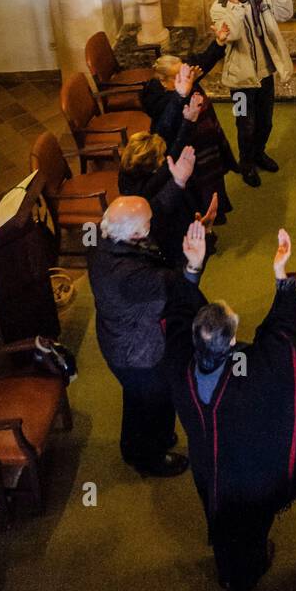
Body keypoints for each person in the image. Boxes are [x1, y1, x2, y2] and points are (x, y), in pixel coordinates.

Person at [164, 222, 296, 591]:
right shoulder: (250, 374)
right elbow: (284, 338)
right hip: (248, 478)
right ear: (233, 339)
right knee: (250, 530)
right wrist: (281, 277)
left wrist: (192, 268)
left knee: (220, 520)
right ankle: (244, 576)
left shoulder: (179, 364)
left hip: (209, 469)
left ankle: (227, 571)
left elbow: (175, 317)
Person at [88, 196, 190, 478]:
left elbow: (151, 208)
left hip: (118, 341)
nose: (151, 225)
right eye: (147, 223)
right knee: (156, 402)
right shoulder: (128, 275)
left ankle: (133, 447)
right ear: (135, 233)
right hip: (138, 353)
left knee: (137, 400)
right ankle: (151, 458)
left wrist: (176, 187)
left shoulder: (104, 234)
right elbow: (179, 286)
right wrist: (194, 260)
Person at [210, 0, 294, 187]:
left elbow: (286, 13)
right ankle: (246, 164)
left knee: (265, 122)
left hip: (264, 74)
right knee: (245, 125)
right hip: (239, 81)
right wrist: (234, 2)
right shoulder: (219, 7)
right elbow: (233, 33)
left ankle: (259, 154)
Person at [141, 57, 235, 222]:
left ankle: (216, 214)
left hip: (207, 148)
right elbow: (166, 127)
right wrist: (181, 95)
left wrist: (219, 44)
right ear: (164, 81)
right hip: (189, 156)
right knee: (198, 195)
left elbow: (204, 59)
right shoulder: (161, 101)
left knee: (213, 185)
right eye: (180, 75)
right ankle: (203, 228)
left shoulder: (187, 84)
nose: (188, 78)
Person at [118, 134, 218, 263]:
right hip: (168, 235)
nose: (163, 159)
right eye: (160, 157)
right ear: (150, 164)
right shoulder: (146, 188)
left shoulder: (128, 173)